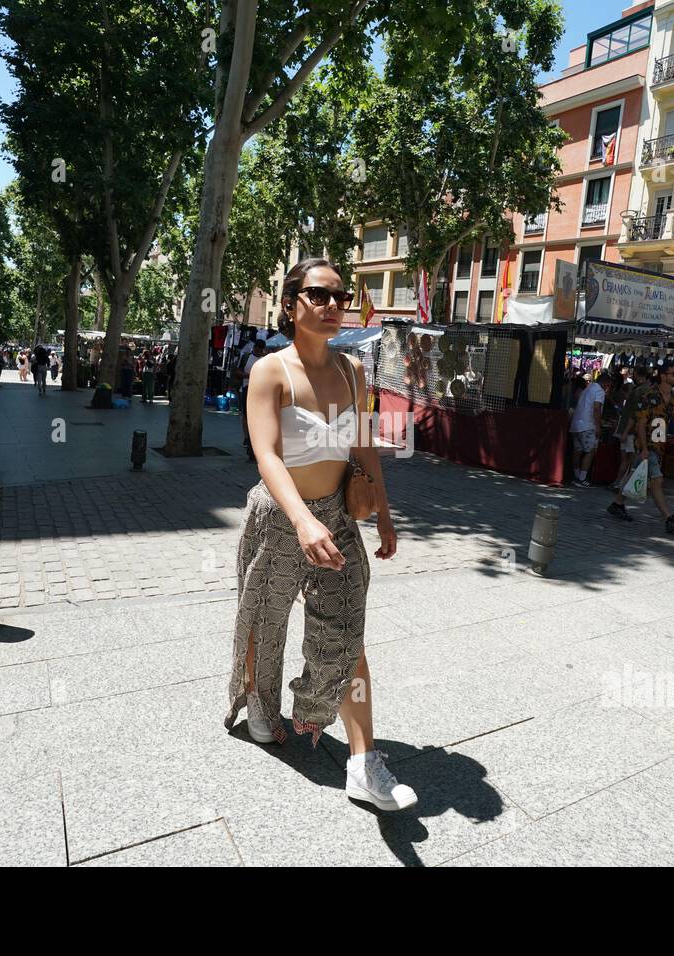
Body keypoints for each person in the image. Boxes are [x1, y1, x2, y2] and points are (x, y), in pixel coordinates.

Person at [226, 257, 412, 812]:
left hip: (336, 515)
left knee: (347, 631)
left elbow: (364, 444)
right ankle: (260, 707)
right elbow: (266, 454)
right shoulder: (270, 371)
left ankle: (361, 762)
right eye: (318, 295)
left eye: (340, 296)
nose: (333, 306)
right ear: (291, 304)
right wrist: (301, 520)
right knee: (265, 615)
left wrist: (381, 509)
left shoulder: (354, 370)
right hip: (279, 516)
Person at [606, 362, 674, 531]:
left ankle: (617, 503)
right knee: (657, 480)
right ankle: (669, 519)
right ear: (663, 376)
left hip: (658, 445)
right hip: (647, 444)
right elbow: (640, 424)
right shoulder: (650, 395)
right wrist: (643, 448)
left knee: (635, 472)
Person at [611, 366, 652, 492]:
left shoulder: (640, 391)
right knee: (628, 460)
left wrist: (625, 431)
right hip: (631, 430)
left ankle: (620, 484)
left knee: (629, 460)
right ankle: (620, 483)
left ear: (637, 375)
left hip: (631, 431)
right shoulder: (643, 389)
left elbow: (634, 414)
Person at [571, 370, 610, 487]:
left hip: (576, 424)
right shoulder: (599, 391)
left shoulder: (587, 389)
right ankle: (582, 479)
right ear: (605, 384)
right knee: (590, 451)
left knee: (577, 451)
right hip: (588, 425)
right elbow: (597, 408)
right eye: (608, 385)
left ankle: (577, 475)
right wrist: (598, 426)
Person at [234, 340, 266, 460]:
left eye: (261, 350)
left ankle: (253, 438)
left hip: (261, 390)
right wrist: (249, 375)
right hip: (246, 388)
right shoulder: (246, 356)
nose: (259, 351)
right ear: (254, 347)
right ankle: (247, 437)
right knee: (246, 415)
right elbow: (237, 371)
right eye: (257, 349)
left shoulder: (265, 359)